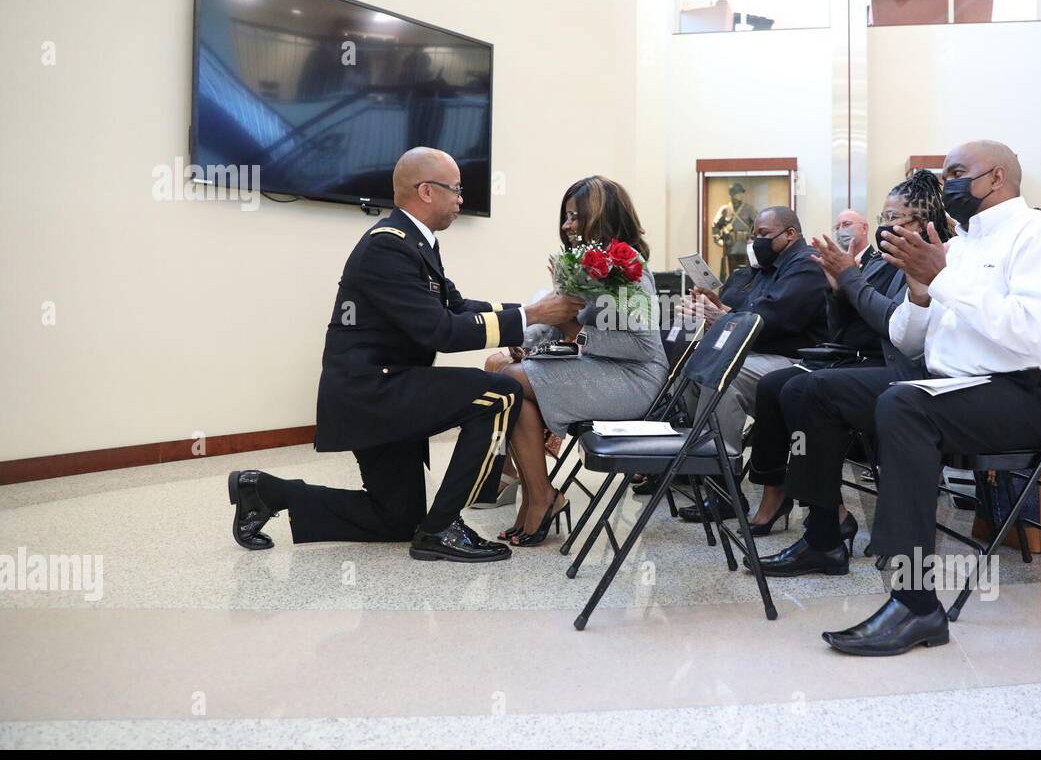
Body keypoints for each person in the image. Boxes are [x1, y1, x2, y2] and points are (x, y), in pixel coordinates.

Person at [750, 140, 1041, 657]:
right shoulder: (958, 244)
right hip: (950, 383)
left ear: (997, 178)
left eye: (957, 172)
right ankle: (825, 536)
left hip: (1026, 395)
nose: (946, 182)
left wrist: (944, 279)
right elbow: (911, 341)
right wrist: (917, 292)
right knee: (810, 389)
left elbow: (1031, 335)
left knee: (903, 404)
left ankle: (915, 604)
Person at [226, 148, 583, 562]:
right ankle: (443, 528)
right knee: (500, 392)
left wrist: (529, 318)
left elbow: (457, 307)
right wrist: (533, 315)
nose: (461, 199)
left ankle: (265, 491)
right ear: (426, 191)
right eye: (456, 190)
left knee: (396, 518)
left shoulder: (413, 241)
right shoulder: (389, 247)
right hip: (375, 392)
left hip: (382, 390)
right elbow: (441, 331)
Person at [742, 171, 947, 540]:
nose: (886, 228)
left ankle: (826, 522)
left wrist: (852, 280)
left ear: (920, 222)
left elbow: (896, 327)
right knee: (774, 387)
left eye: (893, 219)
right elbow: (841, 326)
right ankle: (783, 493)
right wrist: (838, 291)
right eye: (883, 219)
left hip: (893, 364)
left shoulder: (925, 262)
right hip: (853, 355)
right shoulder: (881, 261)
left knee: (804, 390)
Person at [484, 176, 668, 547]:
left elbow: (638, 347)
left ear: (602, 217)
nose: (567, 226)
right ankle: (541, 496)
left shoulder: (631, 267)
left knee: (508, 380)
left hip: (634, 379)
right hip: (604, 369)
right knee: (507, 379)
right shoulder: (586, 265)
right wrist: (536, 335)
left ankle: (540, 496)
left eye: (575, 217)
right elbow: (572, 326)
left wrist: (574, 326)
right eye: (565, 217)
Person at [676, 205, 828, 522]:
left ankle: (725, 489)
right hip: (763, 354)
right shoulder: (769, 266)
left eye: (763, 234)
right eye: (754, 234)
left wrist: (726, 317)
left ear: (790, 234)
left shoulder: (806, 265)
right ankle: (699, 472)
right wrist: (720, 309)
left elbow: (774, 317)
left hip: (798, 360)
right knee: (690, 376)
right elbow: (747, 306)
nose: (756, 241)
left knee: (722, 378)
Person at [711, 182, 757, 281]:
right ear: (732, 194)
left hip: (745, 246)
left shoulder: (749, 209)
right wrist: (718, 239)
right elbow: (715, 225)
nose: (741, 195)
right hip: (730, 246)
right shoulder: (725, 209)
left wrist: (753, 239)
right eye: (738, 193)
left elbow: (757, 224)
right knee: (731, 274)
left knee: (746, 273)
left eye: (741, 193)